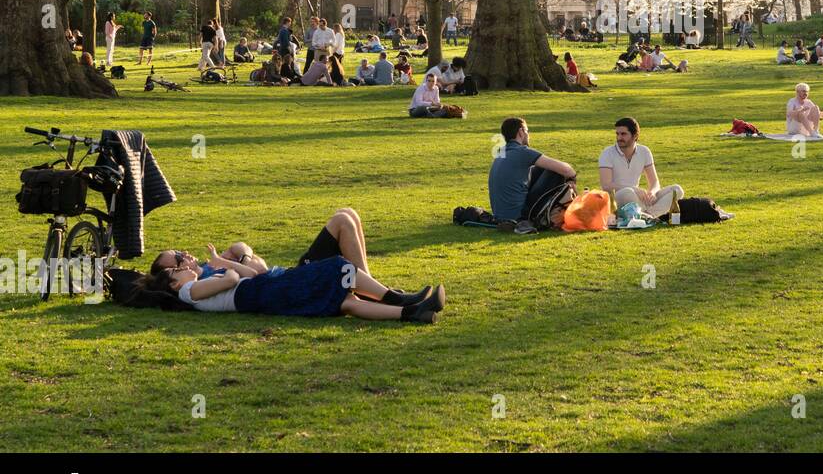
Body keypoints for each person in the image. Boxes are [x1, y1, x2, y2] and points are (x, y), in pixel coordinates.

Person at [147, 209, 445, 323]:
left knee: (346, 301)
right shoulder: (189, 289)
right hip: (274, 290)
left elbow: (249, 268)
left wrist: (229, 262)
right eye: (176, 260)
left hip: (271, 287)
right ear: (172, 280)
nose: (184, 256)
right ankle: (398, 301)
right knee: (341, 276)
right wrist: (224, 264)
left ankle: (409, 310)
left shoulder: (197, 277)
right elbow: (236, 276)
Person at [488, 117, 577, 224]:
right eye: (527, 131)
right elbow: (567, 170)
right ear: (521, 132)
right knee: (556, 172)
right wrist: (572, 179)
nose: (528, 135)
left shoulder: (501, 153)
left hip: (500, 215)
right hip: (519, 216)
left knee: (543, 167)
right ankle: (565, 209)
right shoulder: (522, 152)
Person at [598, 117, 684, 219]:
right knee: (628, 192)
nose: (619, 138)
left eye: (623, 134)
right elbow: (606, 185)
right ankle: (646, 214)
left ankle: (649, 215)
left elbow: (655, 182)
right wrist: (634, 189)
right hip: (618, 198)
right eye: (617, 134)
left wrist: (652, 193)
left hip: (639, 198)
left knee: (677, 189)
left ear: (635, 135)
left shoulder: (644, 151)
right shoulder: (607, 153)